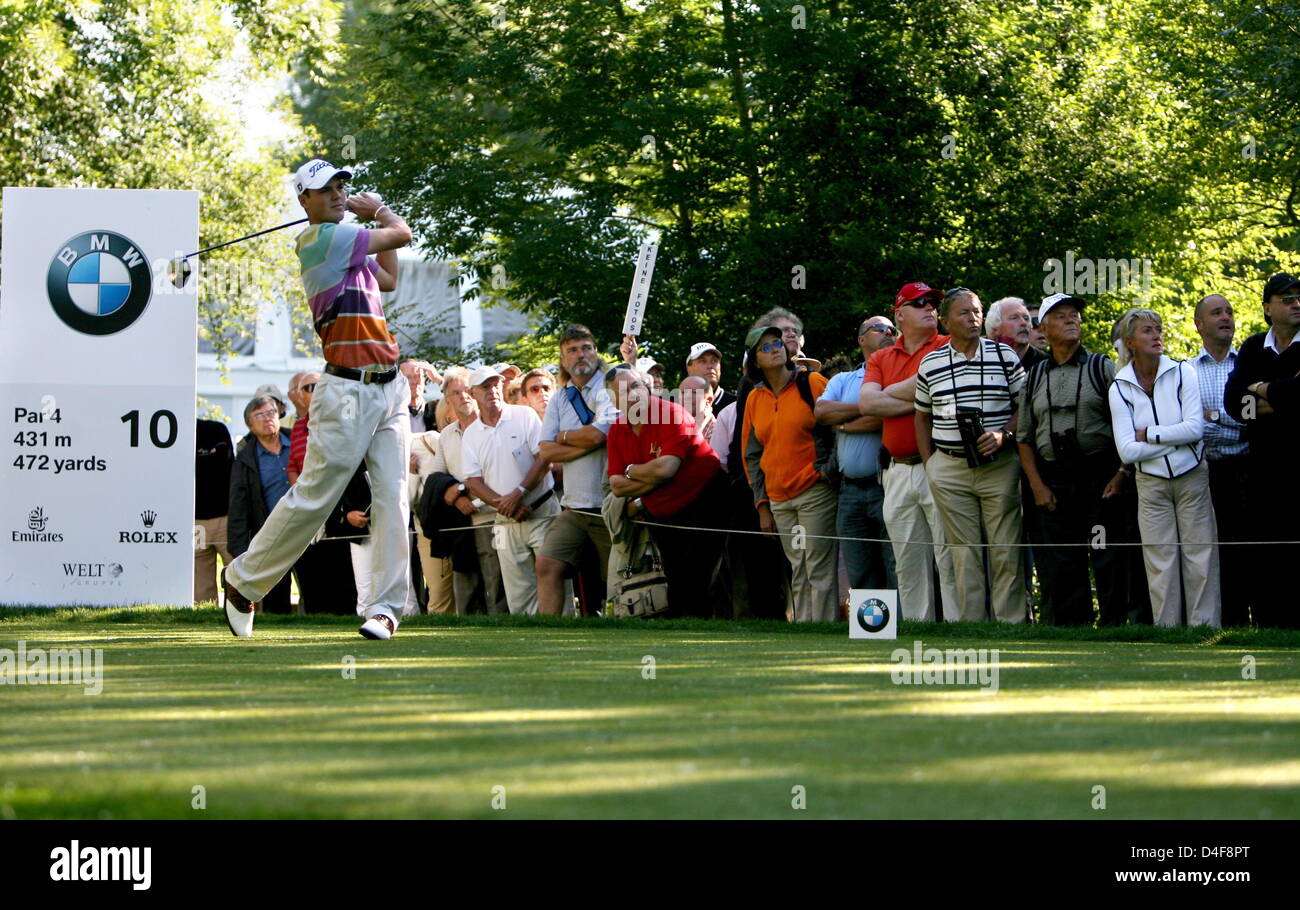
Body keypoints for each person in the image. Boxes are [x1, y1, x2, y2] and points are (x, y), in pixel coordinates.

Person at [222, 158, 414, 640]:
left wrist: (374, 220)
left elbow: (388, 278)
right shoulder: (318, 241)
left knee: (393, 498)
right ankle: (244, 581)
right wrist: (382, 213)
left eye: (342, 186)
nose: (337, 194)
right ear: (303, 200)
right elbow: (402, 235)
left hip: (389, 386)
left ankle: (387, 609)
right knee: (315, 496)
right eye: (326, 189)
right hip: (346, 390)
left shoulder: (348, 249)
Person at [1017, 294, 1134, 625]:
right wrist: (1037, 486)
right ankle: (1071, 630)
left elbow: (1128, 425)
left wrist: (1121, 474)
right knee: (1062, 561)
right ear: (1044, 327)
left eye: (1075, 316)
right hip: (1054, 481)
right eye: (1061, 315)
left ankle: (1114, 628)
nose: (1072, 320)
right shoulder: (1035, 376)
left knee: (1106, 555)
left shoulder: (1103, 368)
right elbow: (1024, 439)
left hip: (1100, 479)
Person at [915, 287, 1027, 623]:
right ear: (946, 321)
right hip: (949, 468)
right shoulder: (930, 363)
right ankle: (974, 626)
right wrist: (930, 463)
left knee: (1006, 550)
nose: (973, 317)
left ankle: (1011, 625)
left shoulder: (1004, 356)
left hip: (999, 466)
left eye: (977, 311)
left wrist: (1003, 434)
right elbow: (921, 415)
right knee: (964, 554)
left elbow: (1027, 407)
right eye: (964, 313)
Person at [1110, 307, 1220, 627]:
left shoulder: (1184, 371)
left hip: (1192, 474)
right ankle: (1167, 628)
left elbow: (1195, 430)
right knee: (1160, 558)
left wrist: (1152, 435)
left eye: (1158, 330)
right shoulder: (1120, 386)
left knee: (1200, 554)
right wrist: (1174, 438)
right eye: (1147, 331)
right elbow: (1127, 450)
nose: (1157, 336)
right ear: (1130, 342)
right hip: (1151, 481)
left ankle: (1204, 628)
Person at [859, 282, 959, 621]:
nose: (930, 308)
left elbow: (917, 387)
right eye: (919, 303)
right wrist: (920, 396)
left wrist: (891, 393)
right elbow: (868, 403)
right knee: (907, 560)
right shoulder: (882, 356)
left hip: (941, 464)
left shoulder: (948, 345)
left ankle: (963, 628)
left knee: (950, 556)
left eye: (932, 302)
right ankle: (920, 629)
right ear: (899, 314)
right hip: (897, 470)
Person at [606, 365, 729, 617]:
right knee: (675, 574)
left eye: (636, 385)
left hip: (705, 498)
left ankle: (705, 633)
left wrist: (630, 469)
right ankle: (681, 631)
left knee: (699, 573)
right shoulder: (617, 430)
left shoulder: (672, 413)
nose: (633, 393)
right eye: (624, 389)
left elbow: (666, 469)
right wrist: (648, 474)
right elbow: (617, 487)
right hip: (662, 508)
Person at [742, 325, 839, 622]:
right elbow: (752, 456)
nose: (774, 350)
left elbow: (839, 429)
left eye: (777, 344)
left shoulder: (812, 382)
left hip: (814, 492)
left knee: (818, 567)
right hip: (779, 500)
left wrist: (826, 472)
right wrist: (762, 504)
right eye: (765, 347)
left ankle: (821, 633)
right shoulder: (754, 399)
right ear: (755, 361)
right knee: (798, 567)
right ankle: (804, 629)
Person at [1224, 273, 1300, 628]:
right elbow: (1235, 405)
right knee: (1268, 551)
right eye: (1287, 299)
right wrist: (1284, 394)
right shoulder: (1254, 348)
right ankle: (1272, 628)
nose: (1297, 304)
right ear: (1268, 308)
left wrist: (1261, 388)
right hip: (1264, 470)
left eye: (1299, 297)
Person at [462, 366, 559, 615]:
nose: (492, 390)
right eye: (485, 386)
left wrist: (518, 493)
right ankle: (527, 645)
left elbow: (544, 458)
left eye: (496, 384)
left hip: (542, 511)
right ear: (473, 393)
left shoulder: (524, 415)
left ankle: (563, 640)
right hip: (505, 519)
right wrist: (504, 505)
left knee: (554, 582)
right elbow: (473, 481)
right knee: (519, 594)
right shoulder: (471, 434)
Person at [537, 325, 617, 616]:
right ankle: (547, 632)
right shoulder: (560, 397)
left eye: (586, 347)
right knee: (547, 564)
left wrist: (564, 437)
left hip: (608, 505)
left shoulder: (612, 387)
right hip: (572, 507)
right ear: (562, 358)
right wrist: (587, 440)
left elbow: (600, 435)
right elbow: (546, 451)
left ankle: (628, 634)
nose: (580, 354)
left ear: (595, 352)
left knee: (617, 580)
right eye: (572, 350)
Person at [814, 314, 897, 590]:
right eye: (880, 328)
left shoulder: (898, 375)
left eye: (892, 329)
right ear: (862, 339)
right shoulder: (845, 379)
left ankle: (906, 630)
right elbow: (822, 411)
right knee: (859, 570)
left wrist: (845, 425)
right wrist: (871, 406)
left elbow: (887, 418)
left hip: (886, 485)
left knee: (894, 565)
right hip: (849, 490)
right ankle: (869, 632)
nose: (889, 332)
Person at [1192, 293, 1253, 627]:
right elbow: (1190, 425)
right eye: (1217, 313)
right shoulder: (1186, 371)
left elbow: (1252, 419)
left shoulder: (1247, 365)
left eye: (1229, 311)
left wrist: (1213, 415)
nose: (1226, 317)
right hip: (1206, 473)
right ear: (1199, 324)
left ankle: (1261, 624)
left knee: (1251, 548)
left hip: (1248, 470)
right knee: (1214, 551)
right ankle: (1226, 624)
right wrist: (1230, 418)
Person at [432, 366, 510, 615]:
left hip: (494, 514)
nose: (463, 396)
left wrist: (463, 489)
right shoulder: (446, 435)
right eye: (456, 393)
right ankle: (469, 629)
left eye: (467, 391)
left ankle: (501, 629)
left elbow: (497, 469)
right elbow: (436, 477)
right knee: (466, 580)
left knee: (496, 579)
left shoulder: (491, 426)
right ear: (448, 400)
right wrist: (456, 498)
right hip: (463, 520)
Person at [227, 396, 296, 614]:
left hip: (308, 529)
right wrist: (239, 548)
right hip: (273, 535)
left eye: (271, 413)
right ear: (250, 425)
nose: (268, 419)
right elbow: (238, 506)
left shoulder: (298, 442)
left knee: (319, 592)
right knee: (276, 598)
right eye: (260, 415)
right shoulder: (246, 460)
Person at [194, 417, 234, 604]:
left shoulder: (215, 429)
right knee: (200, 583)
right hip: (195, 521)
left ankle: (244, 615)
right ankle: (205, 619)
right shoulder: (176, 433)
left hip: (225, 517)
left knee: (237, 573)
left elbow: (224, 461)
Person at [987, 297, 1048, 369]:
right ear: (995, 329)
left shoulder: (1047, 365)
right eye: (1014, 318)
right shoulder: (980, 362)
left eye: (1026, 318)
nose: (1023, 323)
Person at [685, 342, 735, 414]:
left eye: (714, 361)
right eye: (702, 361)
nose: (710, 366)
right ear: (689, 368)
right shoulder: (675, 405)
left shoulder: (736, 405)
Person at [678, 376, 717, 443]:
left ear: (708, 401)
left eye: (694, 392)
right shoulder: (673, 428)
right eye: (683, 392)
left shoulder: (717, 431)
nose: (686, 396)